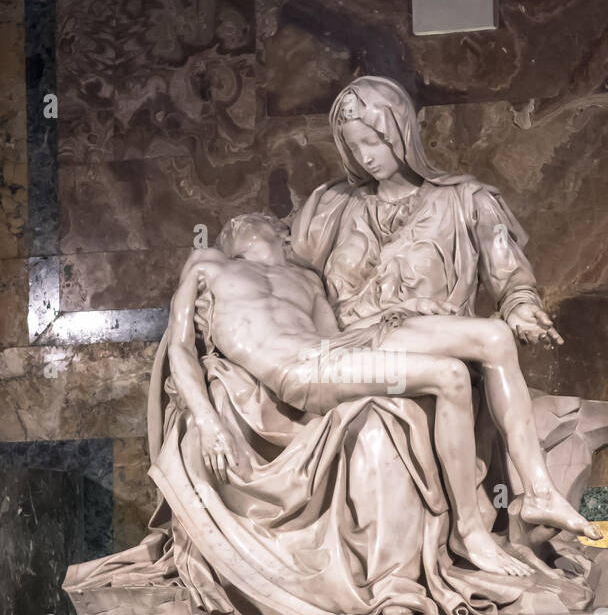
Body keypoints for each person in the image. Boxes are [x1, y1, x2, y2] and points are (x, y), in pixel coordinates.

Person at [292, 77, 601, 541]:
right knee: (491, 337)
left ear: (401, 132)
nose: (366, 157)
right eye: (354, 147)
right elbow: (280, 272)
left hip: (429, 343)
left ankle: (536, 493)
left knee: (496, 335)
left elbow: (508, 273)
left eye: (374, 141)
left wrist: (520, 305)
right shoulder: (332, 207)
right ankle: (537, 493)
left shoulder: (466, 199)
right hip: (352, 347)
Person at [168, 212, 531, 578]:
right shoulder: (206, 263)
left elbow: (335, 338)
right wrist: (206, 419)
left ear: (282, 234)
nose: (235, 223)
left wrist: (407, 310)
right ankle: (468, 533)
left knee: (491, 335)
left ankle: (536, 493)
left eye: (251, 219)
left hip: (330, 357)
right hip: (300, 372)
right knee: (448, 375)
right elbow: (179, 348)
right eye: (231, 224)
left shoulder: (306, 279)